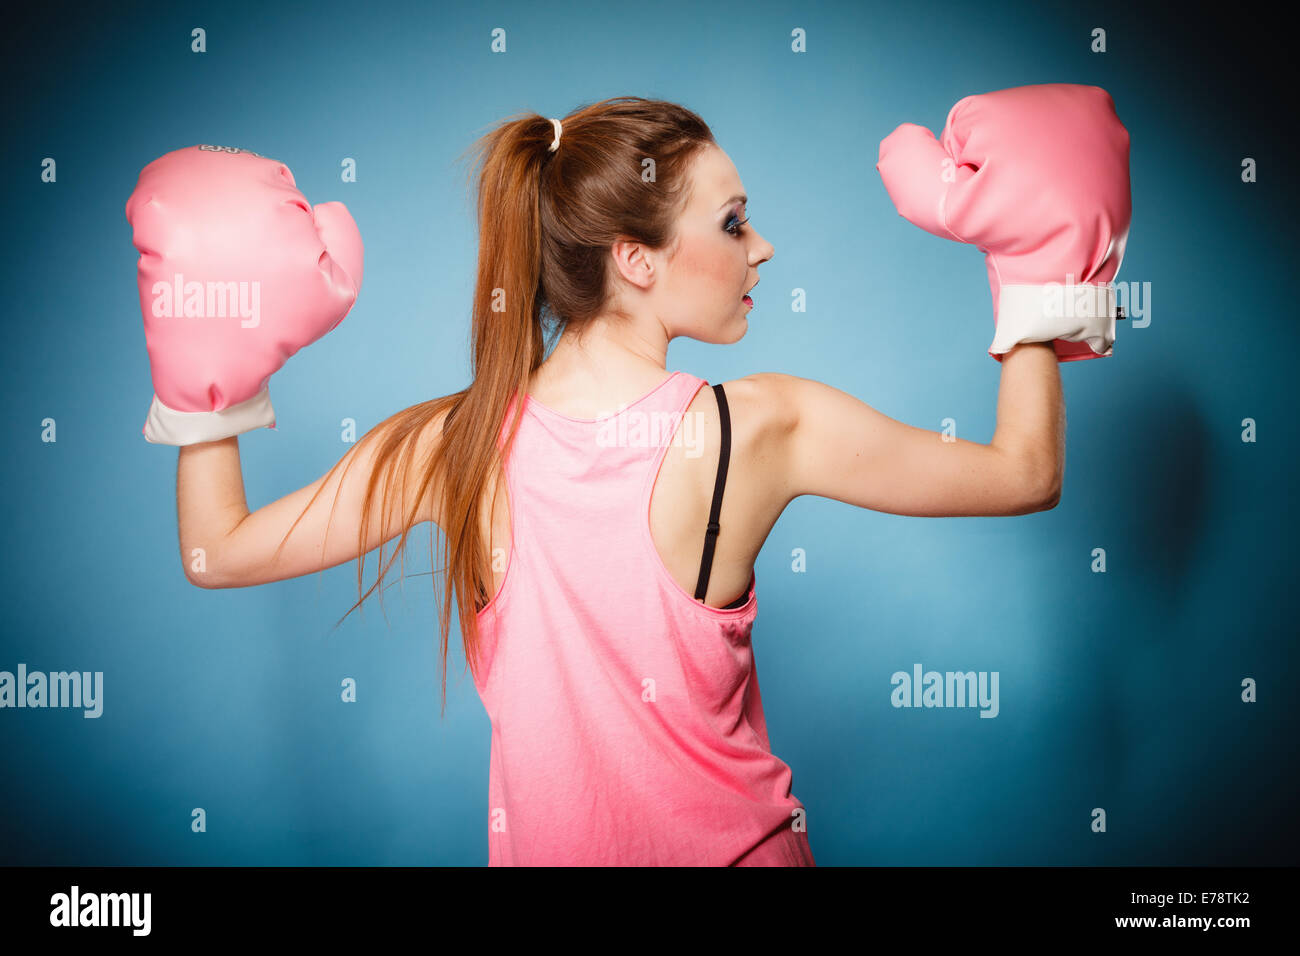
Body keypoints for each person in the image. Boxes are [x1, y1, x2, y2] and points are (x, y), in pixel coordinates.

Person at [150, 90, 1129, 865]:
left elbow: (218, 550)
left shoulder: (450, 444)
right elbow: (1023, 472)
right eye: (735, 221)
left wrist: (207, 381)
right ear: (634, 259)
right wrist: (1036, 267)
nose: (764, 247)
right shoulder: (760, 422)